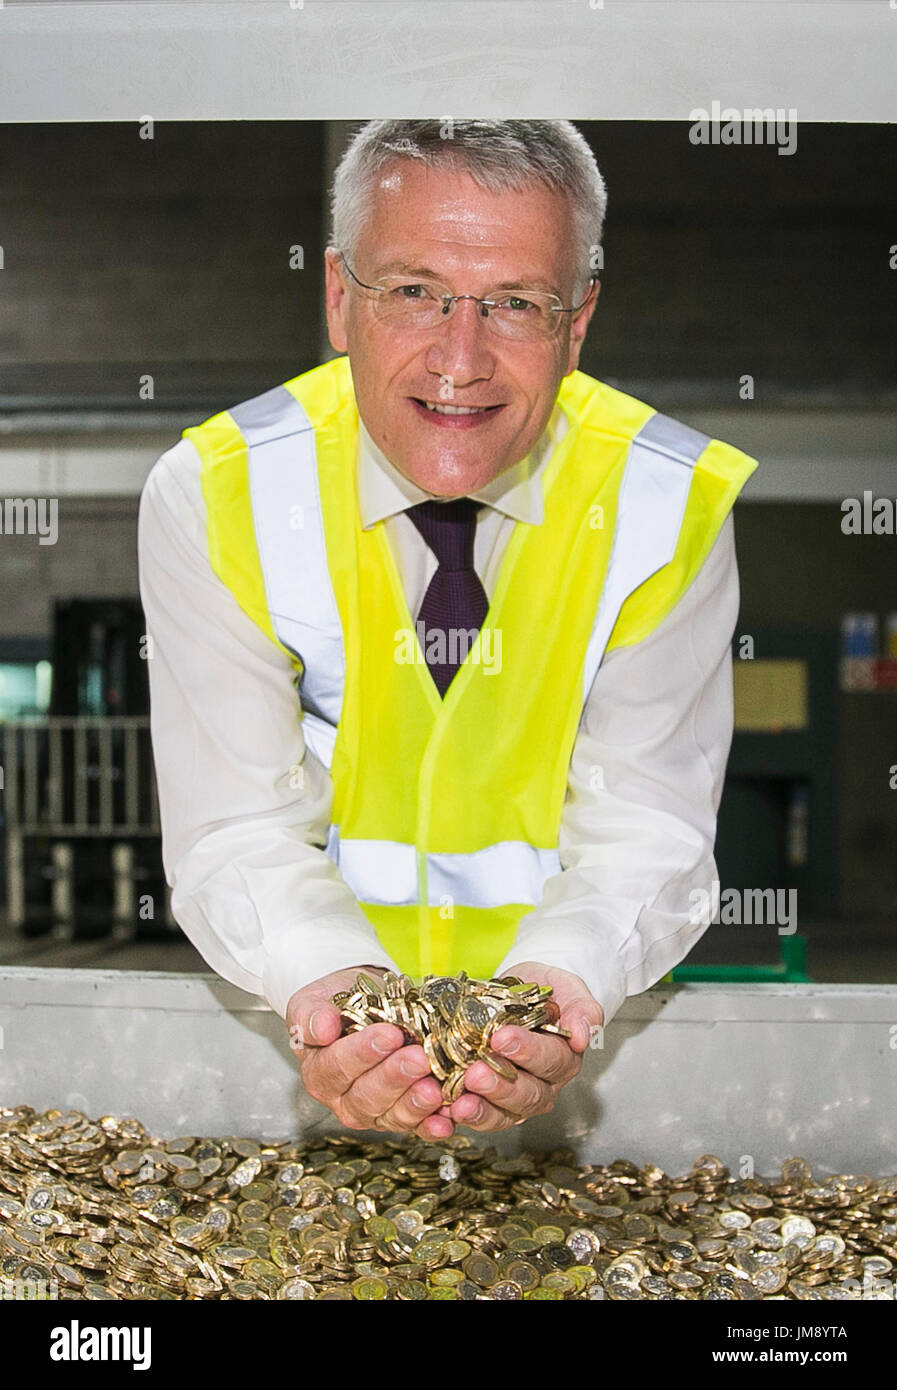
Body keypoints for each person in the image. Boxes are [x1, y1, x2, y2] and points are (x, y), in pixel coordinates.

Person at [138, 119, 757, 1142]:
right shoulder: (219, 495)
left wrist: (556, 992)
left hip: (565, 1071)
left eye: (516, 302)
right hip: (312, 1053)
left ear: (578, 320)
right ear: (339, 298)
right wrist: (333, 996)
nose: (460, 360)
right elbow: (234, 823)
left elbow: (649, 825)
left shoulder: (665, 506)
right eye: (414, 292)